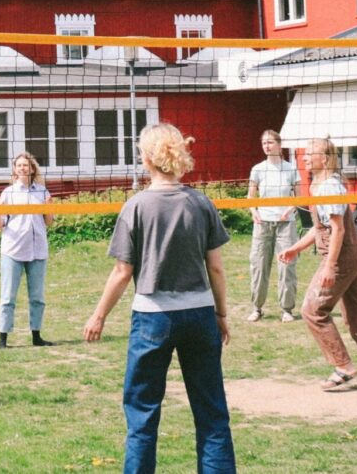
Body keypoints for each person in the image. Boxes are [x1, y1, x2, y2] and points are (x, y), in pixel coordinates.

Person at [84, 123, 235, 473]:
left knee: (142, 416)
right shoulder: (201, 202)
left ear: (146, 158)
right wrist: (221, 314)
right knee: (212, 413)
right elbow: (216, 269)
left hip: (153, 317)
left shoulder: (136, 206)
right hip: (199, 314)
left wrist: (99, 316)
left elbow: (123, 272)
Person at [278, 138, 357, 391]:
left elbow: (338, 229)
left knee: (312, 310)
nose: (305, 158)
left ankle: (343, 366)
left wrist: (330, 266)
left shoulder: (329, 187)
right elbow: (320, 227)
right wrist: (296, 248)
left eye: (310, 154)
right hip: (350, 254)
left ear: (325, 158)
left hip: (341, 255)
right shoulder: (319, 185)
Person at [0, 151, 55, 349]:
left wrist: (50, 210)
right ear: (14, 170)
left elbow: (49, 222)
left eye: (25, 165)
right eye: (19, 165)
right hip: (13, 249)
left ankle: (36, 336)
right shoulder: (8, 193)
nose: (22, 168)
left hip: (37, 250)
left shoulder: (43, 192)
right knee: (8, 296)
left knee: (37, 297)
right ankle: (3, 339)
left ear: (32, 168)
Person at [245, 129, 300, 323]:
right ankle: (257, 308)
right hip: (263, 223)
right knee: (259, 265)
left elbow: (300, 197)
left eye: (270, 142)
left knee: (287, 266)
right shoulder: (258, 169)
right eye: (264, 143)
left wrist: (290, 210)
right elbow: (250, 197)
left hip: (286, 223)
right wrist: (254, 212)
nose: (266, 146)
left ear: (279, 144)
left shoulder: (291, 169)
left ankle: (287, 309)